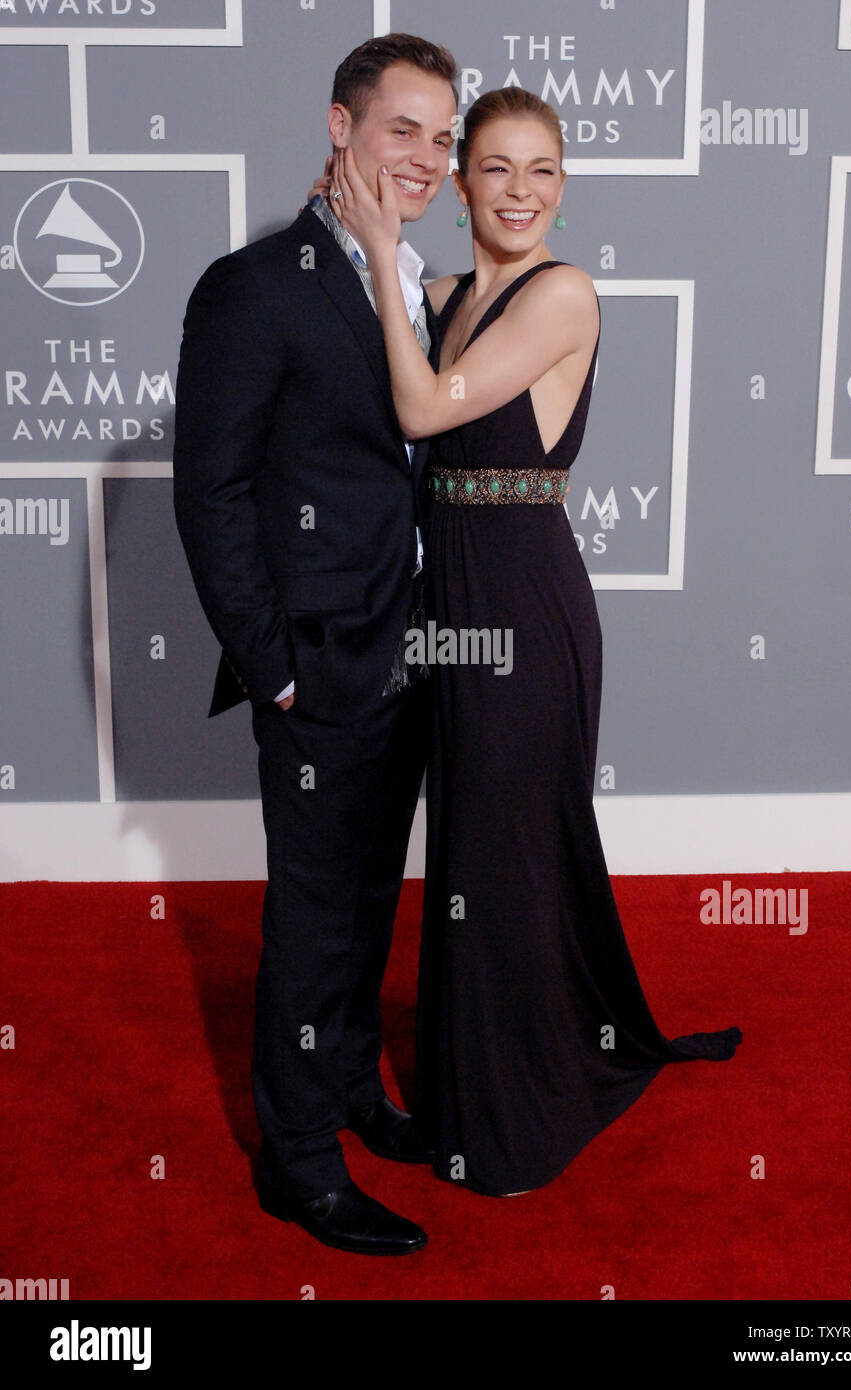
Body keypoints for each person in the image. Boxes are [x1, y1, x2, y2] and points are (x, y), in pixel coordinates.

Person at [321, 85, 743, 1198]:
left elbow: (421, 414)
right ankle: (468, 1087)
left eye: (541, 169)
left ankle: (513, 1119)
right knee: (467, 848)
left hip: (520, 604)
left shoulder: (563, 295)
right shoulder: (451, 292)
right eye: (497, 168)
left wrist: (375, 250)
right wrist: (379, 242)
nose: (520, 191)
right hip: (448, 602)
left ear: (564, 182)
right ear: (461, 182)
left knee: (504, 850)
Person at [172, 34, 461, 1254]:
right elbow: (211, 493)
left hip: (407, 646)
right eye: (406, 130)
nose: (430, 160)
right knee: (307, 916)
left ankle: (348, 1086)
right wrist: (274, 660)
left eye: (444, 140)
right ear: (340, 127)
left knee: (368, 897)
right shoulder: (252, 285)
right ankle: (296, 1160)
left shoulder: (409, 274)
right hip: (318, 659)